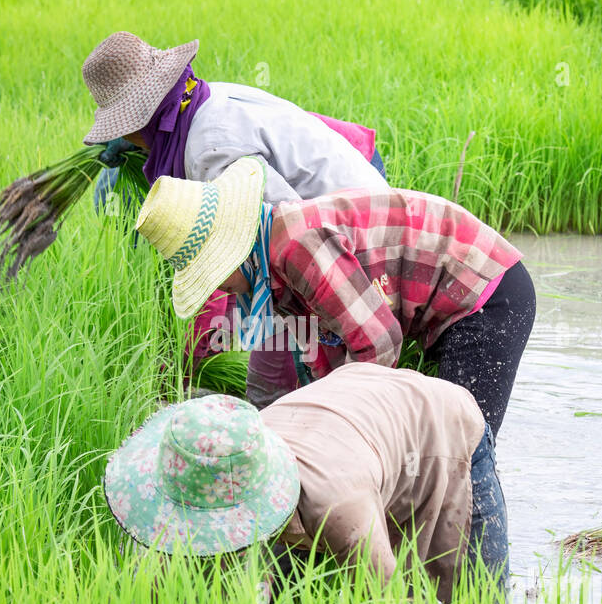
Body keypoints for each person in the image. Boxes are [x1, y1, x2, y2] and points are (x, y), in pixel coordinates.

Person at [82, 30, 388, 406]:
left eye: (124, 125)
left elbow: (287, 237)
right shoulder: (199, 103)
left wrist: (194, 356)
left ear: (139, 120)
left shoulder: (210, 150)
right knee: (272, 371)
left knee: (334, 368)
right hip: (337, 216)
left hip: (350, 234)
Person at [134, 157, 535, 437]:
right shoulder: (268, 269)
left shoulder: (296, 244)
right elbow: (269, 376)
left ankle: (481, 561)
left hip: (483, 294)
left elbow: (379, 343)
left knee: (460, 448)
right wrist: (265, 434)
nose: (218, 291)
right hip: (446, 305)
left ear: (231, 254)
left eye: (213, 277)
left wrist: (335, 428)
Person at [103, 367, 508, 604]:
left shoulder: (338, 505)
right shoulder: (222, 460)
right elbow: (154, 591)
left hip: (441, 435)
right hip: (354, 422)